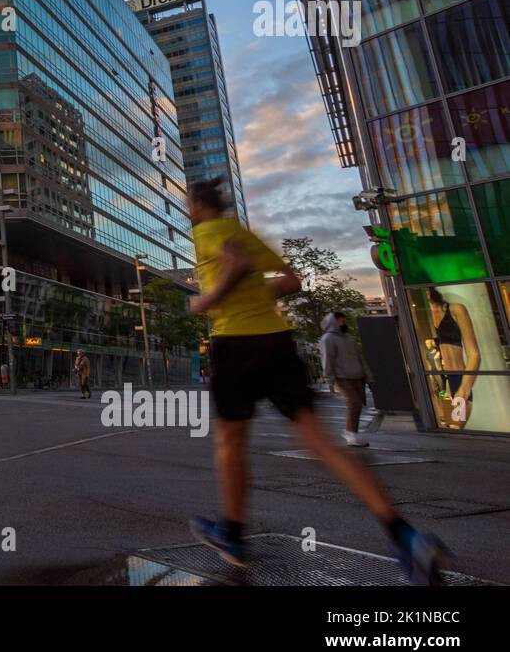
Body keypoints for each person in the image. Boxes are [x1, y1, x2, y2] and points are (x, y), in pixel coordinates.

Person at [184, 177, 447, 584]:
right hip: (276, 340)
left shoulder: (207, 231)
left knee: (229, 442)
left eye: (189, 205)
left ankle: (233, 534)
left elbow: (234, 263)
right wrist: (255, 295)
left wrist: (208, 299)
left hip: (236, 344)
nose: (189, 212)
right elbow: (290, 280)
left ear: (199, 205)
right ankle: (405, 536)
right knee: (320, 441)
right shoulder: (243, 231)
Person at [426, 286, 480, 429]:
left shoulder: (456, 309)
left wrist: (464, 389)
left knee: (456, 427)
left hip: (459, 379)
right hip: (445, 381)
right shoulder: (425, 314)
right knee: (450, 429)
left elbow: (474, 354)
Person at [320, 312, 370, 446]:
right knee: (354, 403)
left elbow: (359, 357)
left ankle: (352, 433)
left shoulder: (349, 337)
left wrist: (367, 374)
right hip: (341, 377)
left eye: (344, 320)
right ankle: (350, 435)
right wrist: (329, 378)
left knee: (358, 405)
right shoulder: (327, 339)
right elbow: (327, 359)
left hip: (357, 376)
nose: (343, 323)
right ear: (333, 322)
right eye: (340, 321)